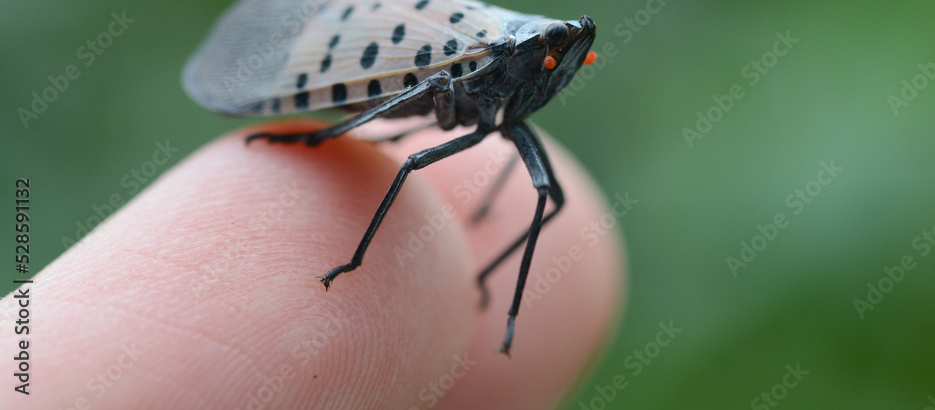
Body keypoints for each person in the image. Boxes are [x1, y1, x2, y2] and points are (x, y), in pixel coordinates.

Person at [2, 121, 624, 409]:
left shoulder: (518, 111)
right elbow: (426, 139)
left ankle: (499, 290)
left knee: (552, 195)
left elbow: (506, 133)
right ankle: (352, 243)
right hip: (437, 81)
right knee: (410, 164)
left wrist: (497, 290)